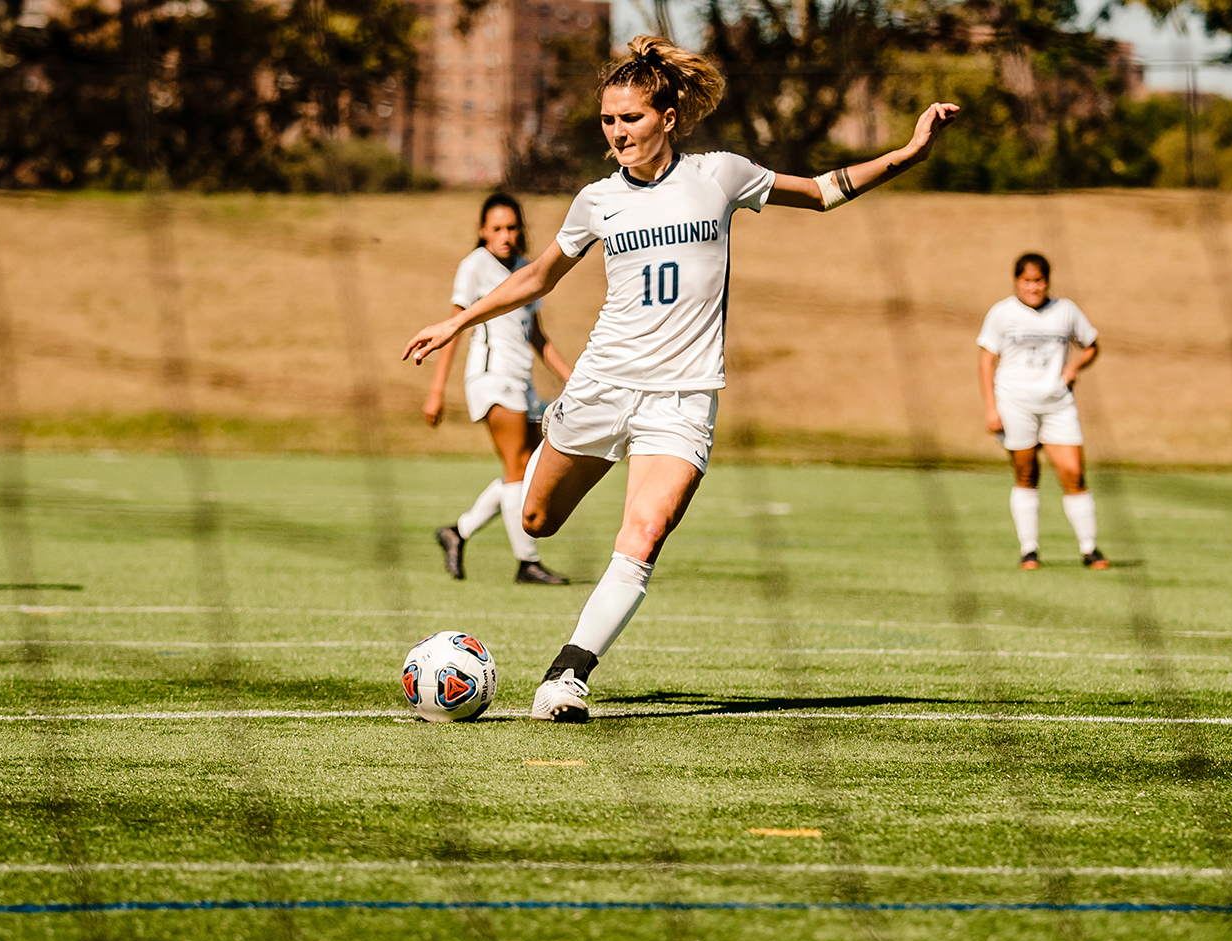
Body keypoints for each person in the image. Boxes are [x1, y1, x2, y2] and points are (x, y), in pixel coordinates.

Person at [401, 35, 959, 722]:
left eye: (630, 118)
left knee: (646, 529)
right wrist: (456, 323)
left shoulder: (719, 176)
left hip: (682, 398)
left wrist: (909, 153)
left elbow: (820, 191)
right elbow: (538, 275)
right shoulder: (596, 200)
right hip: (603, 384)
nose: (617, 132)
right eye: (608, 120)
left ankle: (566, 676)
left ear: (668, 117)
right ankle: (547, 479)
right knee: (536, 519)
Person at [423, 192, 574, 586]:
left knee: (522, 469)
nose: (505, 235)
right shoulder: (474, 266)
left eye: (511, 227)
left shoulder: (526, 268)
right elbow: (453, 331)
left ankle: (458, 531)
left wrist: (572, 378)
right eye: (497, 228)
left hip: (521, 381)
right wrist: (436, 390)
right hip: (490, 377)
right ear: (482, 231)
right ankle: (528, 562)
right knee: (517, 468)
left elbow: (537, 337)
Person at [977, 253, 1105, 570]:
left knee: (1073, 473)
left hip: (1057, 404)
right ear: (1016, 281)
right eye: (1026, 281)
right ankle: (1029, 550)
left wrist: (1075, 367)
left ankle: (1090, 549)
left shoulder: (1065, 311)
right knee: (1026, 473)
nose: (1032, 288)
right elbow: (985, 361)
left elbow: (1091, 344)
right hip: (1015, 403)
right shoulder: (1002, 313)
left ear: (1047, 281)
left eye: (1038, 281)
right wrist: (991, 409)